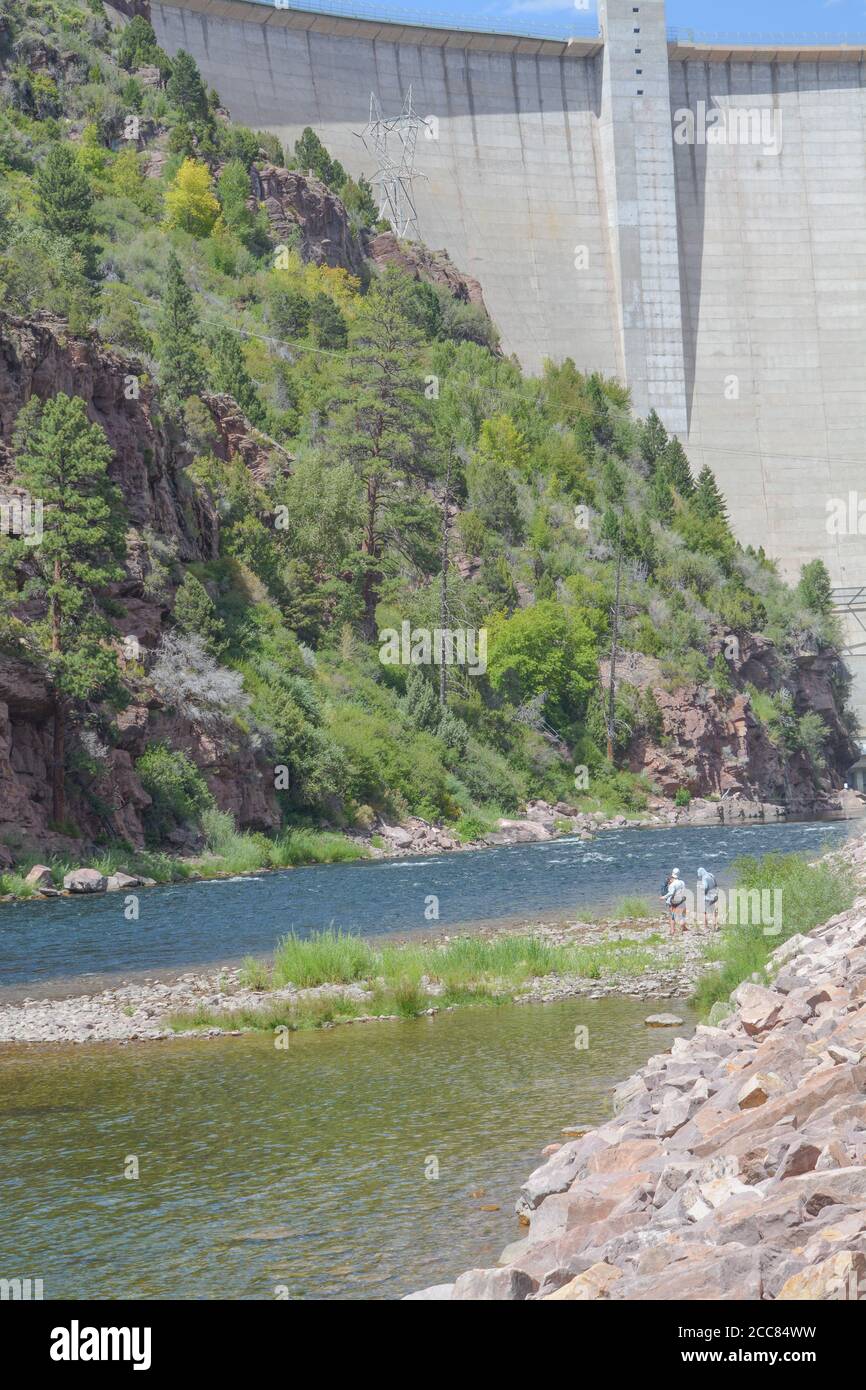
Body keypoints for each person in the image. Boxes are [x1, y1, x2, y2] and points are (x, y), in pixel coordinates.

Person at [664, 867, 687, 935]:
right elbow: (683, 892)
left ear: (672, 873)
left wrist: (664, 898)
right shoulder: (682, 882)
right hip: (681, 900)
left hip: (673, 902)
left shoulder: (671, 883)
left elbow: (670, 894)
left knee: (672, 916)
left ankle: (672, 930)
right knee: (683, 915)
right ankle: (683, 927)